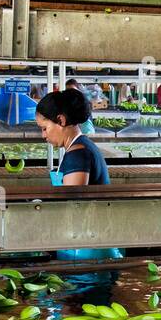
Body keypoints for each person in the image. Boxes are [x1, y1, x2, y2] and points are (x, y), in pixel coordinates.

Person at [34, 90, 121, 262]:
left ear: (61, 120)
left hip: (87, 250)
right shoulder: (82, 147)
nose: (43, 135)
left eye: (45, 128)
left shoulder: (77, 155)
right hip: (91, 244)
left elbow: (74, 207)